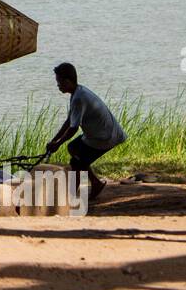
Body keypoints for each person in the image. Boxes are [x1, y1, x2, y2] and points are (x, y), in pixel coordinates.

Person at [45, 62, 128, 202]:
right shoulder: (78, 92)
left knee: (76, 162)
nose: (58, 86)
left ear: (67, 81)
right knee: (73, 148)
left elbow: (73, 128)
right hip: (99, 134)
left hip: (105, 137)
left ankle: (71, 196)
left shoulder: (78, 98)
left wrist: (58, 144)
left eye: (59, 82)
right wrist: (54, 140)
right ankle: (96, 183)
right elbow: (69, 121)